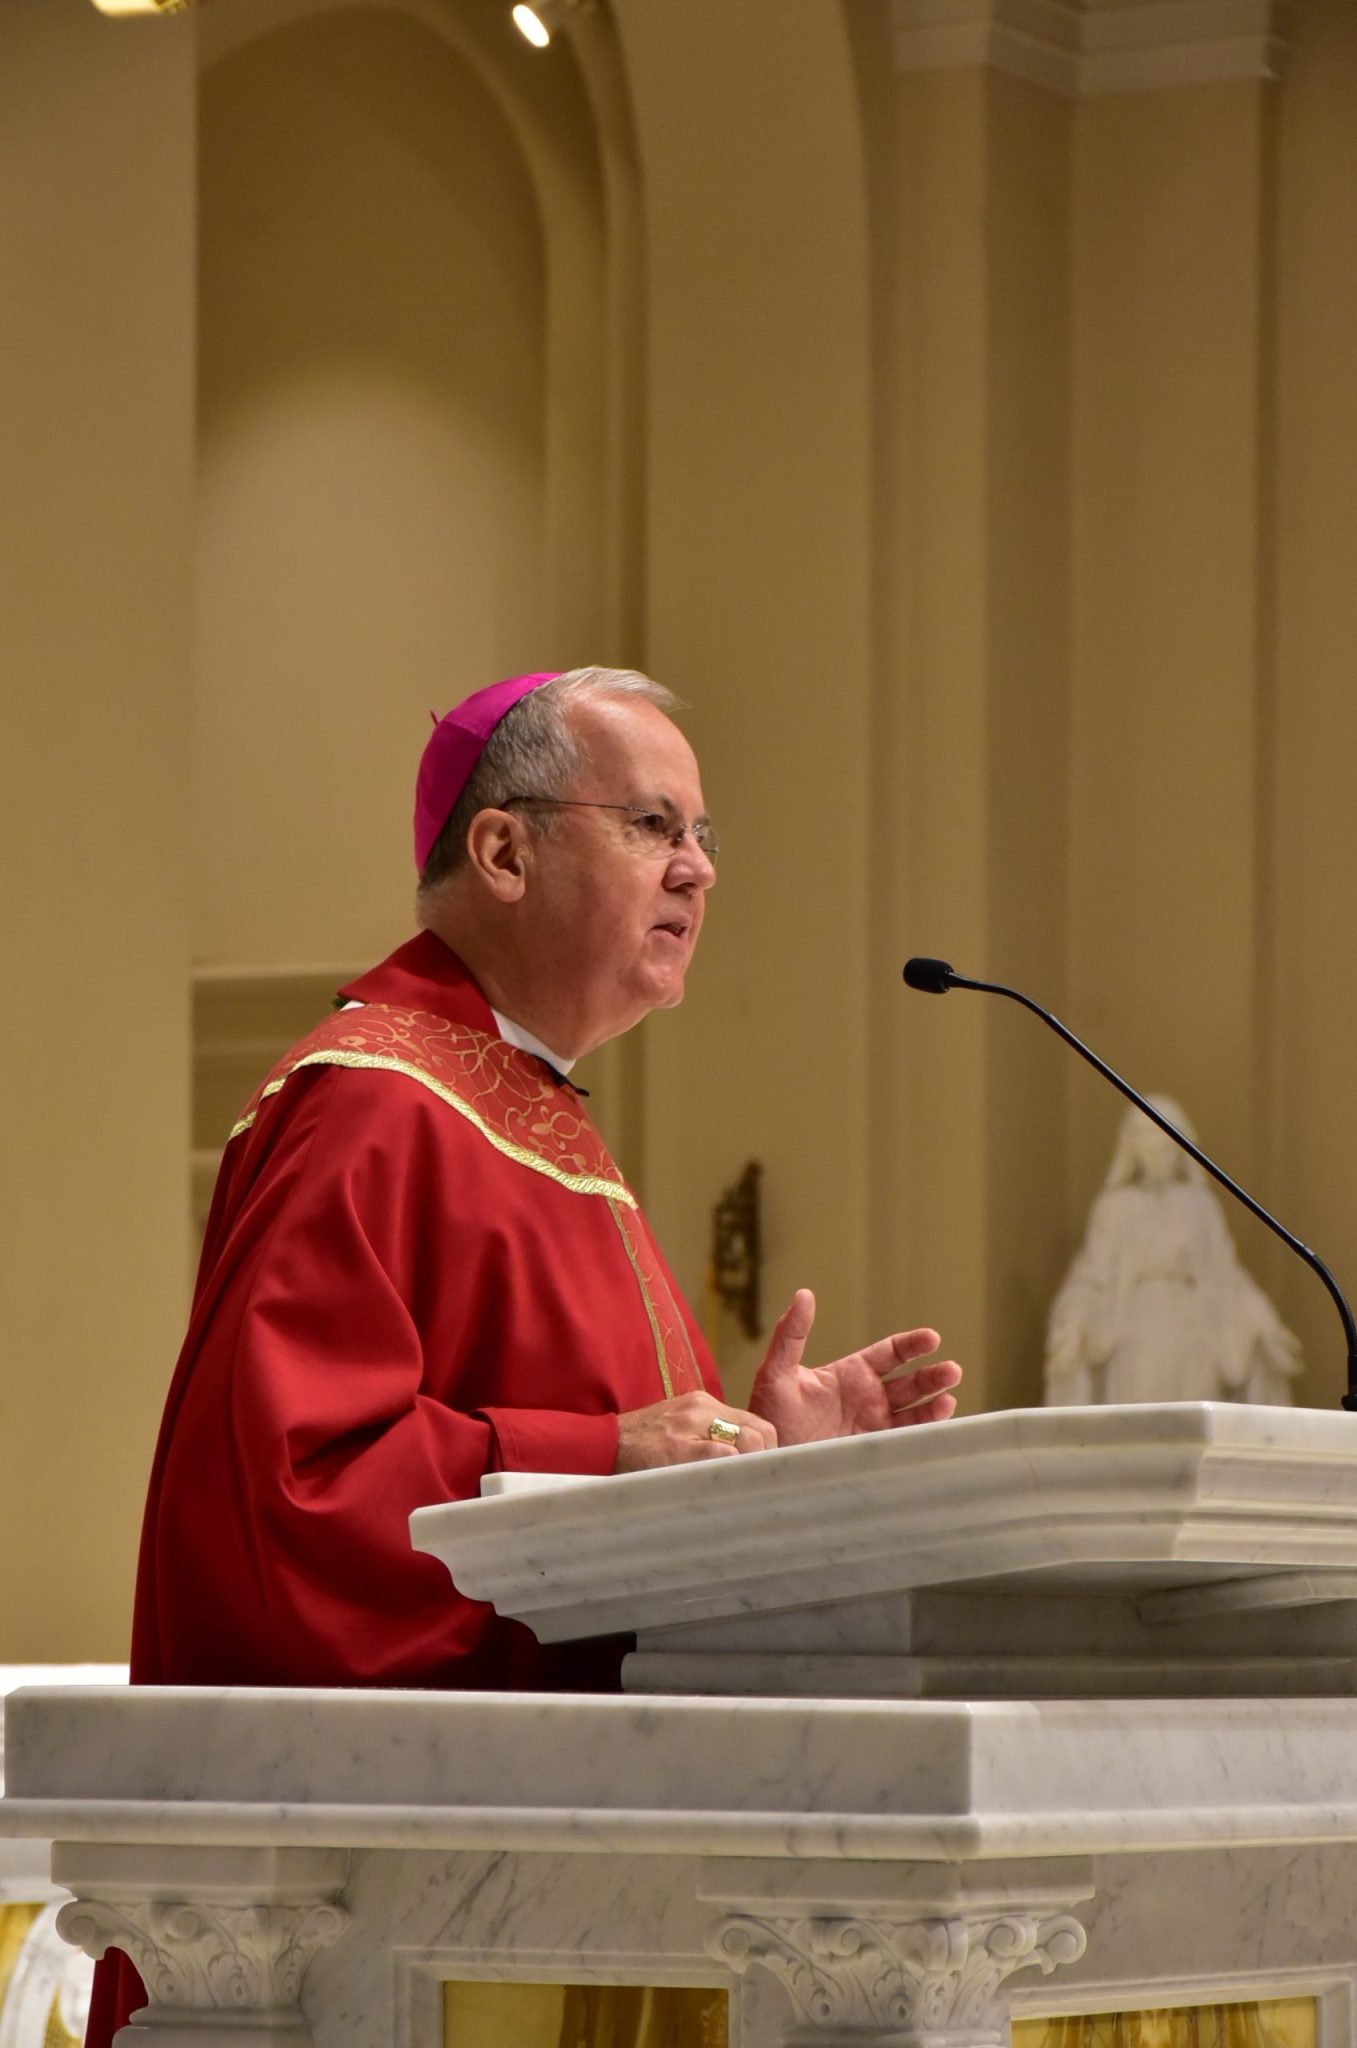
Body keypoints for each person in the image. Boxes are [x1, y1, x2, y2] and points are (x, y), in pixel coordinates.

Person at [86, 666, 961, 2045]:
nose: (697, 872)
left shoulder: (529, 1121)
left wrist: (764, 1468)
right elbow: (286, 1499)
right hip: (409, 1914)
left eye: (706, 840)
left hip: (555, 1879)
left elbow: (598, 1516)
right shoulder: (374, 1109)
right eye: (655, 825)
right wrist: (612, 1452)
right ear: (502, 848)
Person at [1043, 1094, 1301, 1406]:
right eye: (1151, 1147)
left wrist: (1262, 1319)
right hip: (1135, 1328)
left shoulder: (1199, 1206)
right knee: (1138, 1421)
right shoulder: (1115, 1208)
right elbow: (1092, 1277)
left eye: (1167, 1147)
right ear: (1134, 1151)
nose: (1160, 1156)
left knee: (1193, 1415)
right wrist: (1074, 1322)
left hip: (1193, 1328)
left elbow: (1226, 1276)